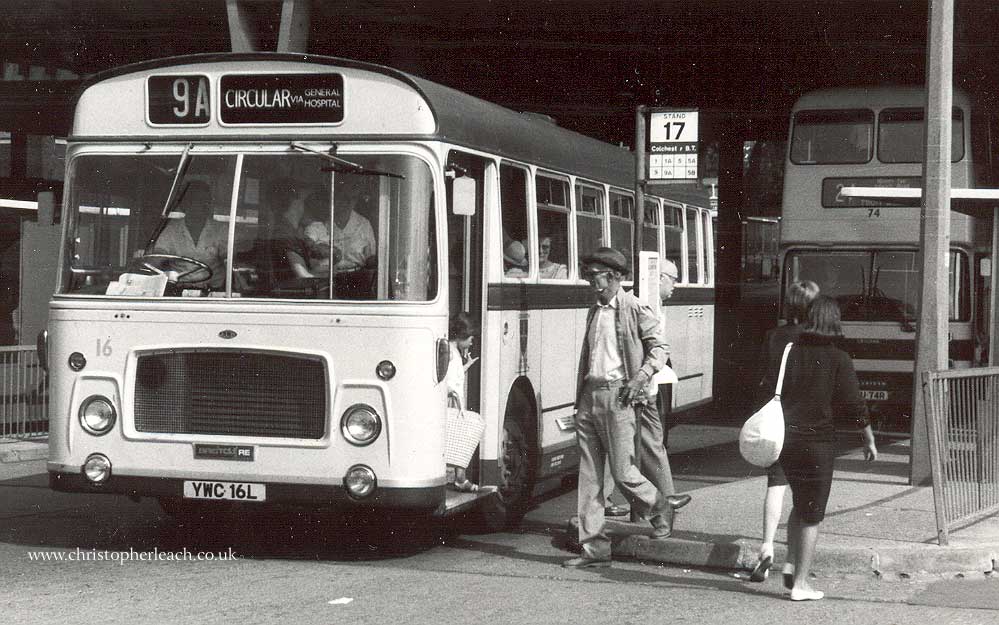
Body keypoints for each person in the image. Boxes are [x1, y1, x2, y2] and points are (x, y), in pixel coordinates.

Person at [563, 247, 678, 569]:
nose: (591, 283)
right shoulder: (595, 310)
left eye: (596, 277)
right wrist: (581, 400)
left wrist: (640, 377)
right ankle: (594, 549)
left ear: (614, 277)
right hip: (590, 395)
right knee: (589, 477)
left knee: (623, 472)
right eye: (589, 276)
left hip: (619, 396)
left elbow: (660, 348)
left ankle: (660, 506)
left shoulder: (633, 307)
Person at [759, 295, 877, 601]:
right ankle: (801, 584)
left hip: (786, 440)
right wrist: (867, 436)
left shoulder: (788, 352)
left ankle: (790, 562)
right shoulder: (839, 358)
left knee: (801, 503)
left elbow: (769, 387)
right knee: (812, 514)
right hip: (817, 443)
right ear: (835, 321)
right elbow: (853, 403)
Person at [603, 258, 690, 522]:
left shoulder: (650, 303)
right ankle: (666, 499)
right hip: (639, 388)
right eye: (673, 279)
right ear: (659, 277)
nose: (675, 285)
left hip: (640, 386)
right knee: (648, 443)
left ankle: (657, 499)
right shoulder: (642, 304)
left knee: (625, 444)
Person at [749, 279, 819, 584]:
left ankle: (766, 546)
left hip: (776, 417)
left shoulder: (773, 336)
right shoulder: (815, 339)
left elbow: (762, 376)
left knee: (775, 484)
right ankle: (791, 560)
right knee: (803, 490)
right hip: (804, 419)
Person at [150, 180, 227, 289]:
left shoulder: (220, 230)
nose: (200, 205)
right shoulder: (172, 230)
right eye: (195, 200)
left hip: (213, 291)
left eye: (204, 201)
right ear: (185, 204)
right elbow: (159, 255)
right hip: (180, 290)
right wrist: (153, 262)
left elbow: (230, 258)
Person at [444, 312, 485, 492]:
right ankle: (459, 478)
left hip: (454, 402)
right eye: (470, 338)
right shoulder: (449, 353)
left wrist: (466, 366)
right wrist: (452, 394)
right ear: (462, 335)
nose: (472, 342)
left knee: (459, 437)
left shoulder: (453, 352)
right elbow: (445, 380)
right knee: (461, 435)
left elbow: (453, 376)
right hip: (450, 402)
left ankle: (460, 477)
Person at [330, 184, 376, 273]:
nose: (343, 203)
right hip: (331, 275)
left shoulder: (364, 224)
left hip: (357, 275)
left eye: (352, 198)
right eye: (340, 199)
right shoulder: (325, 224)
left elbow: (371, 258)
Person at [302, 188, 342, 274]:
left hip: (330, 268)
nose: (327, 209)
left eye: (328, 204)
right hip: (320, 268)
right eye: (322, 205)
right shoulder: (313, 227)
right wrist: (328, 251)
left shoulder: (327, 225)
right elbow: (309, 245)